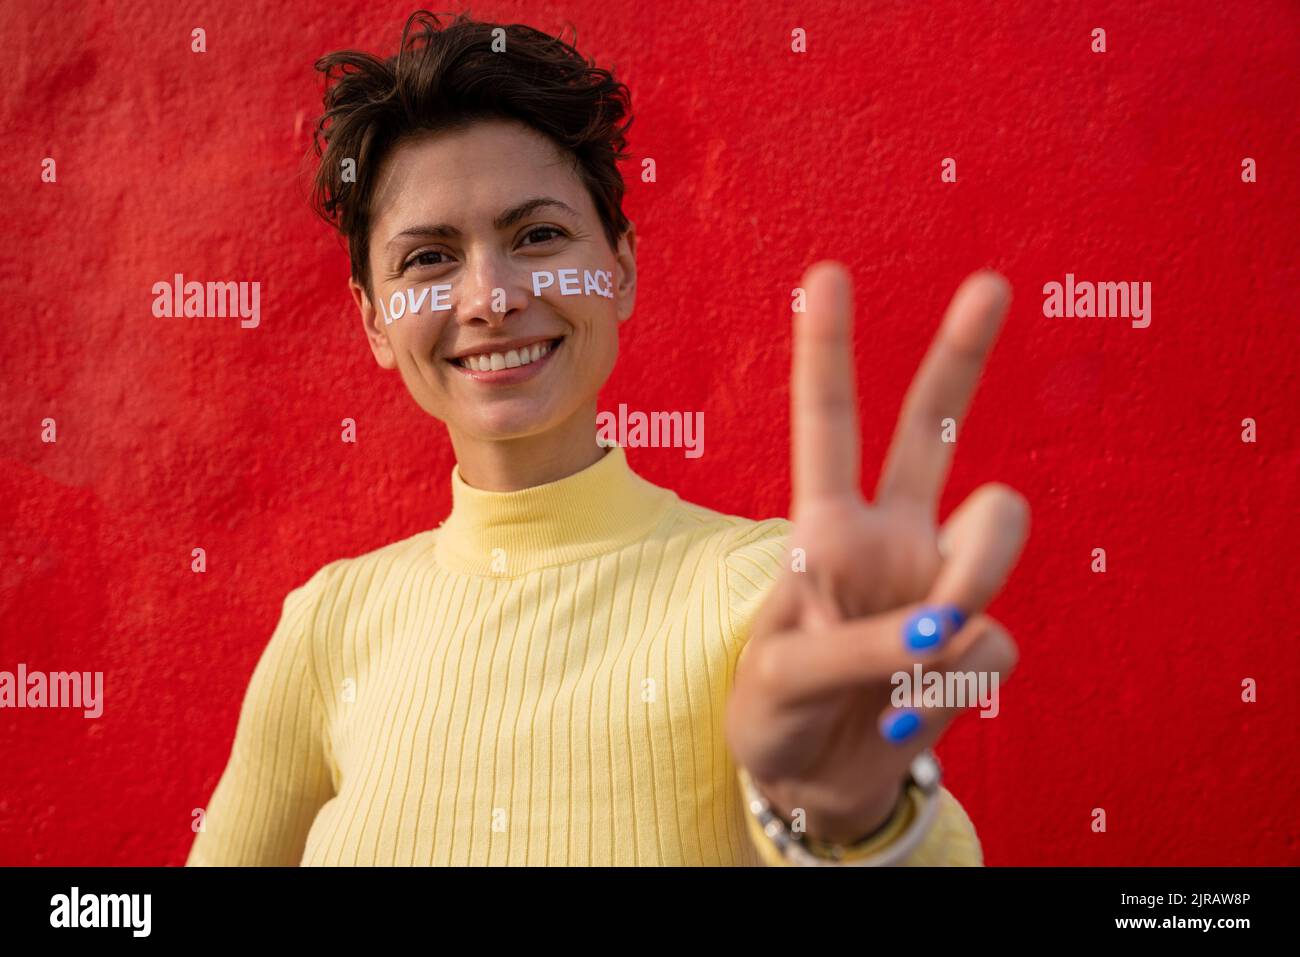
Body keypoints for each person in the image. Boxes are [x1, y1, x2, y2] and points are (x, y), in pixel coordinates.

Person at [186, 9, 1027, 867]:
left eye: (538, 236)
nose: (491, 297)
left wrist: (849, 820)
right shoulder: (329, 623)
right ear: (373, 321)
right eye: (429, 258)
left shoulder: (770, 591)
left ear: (620, 270)